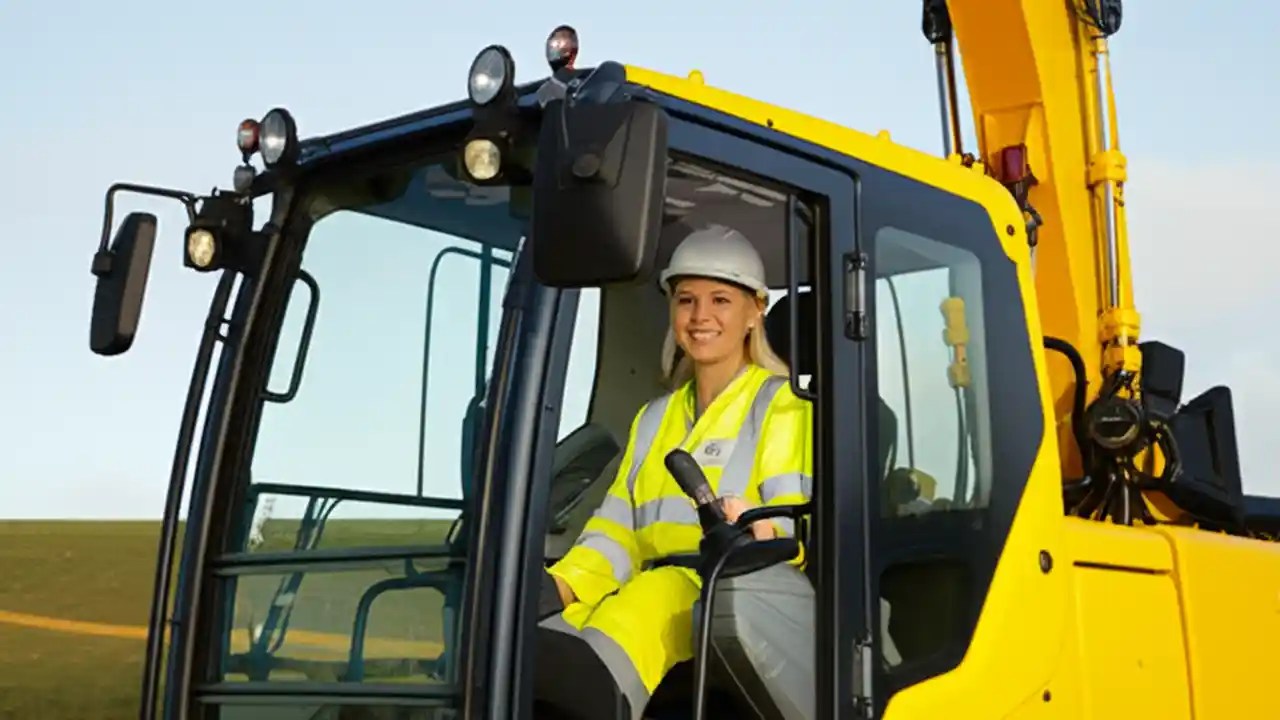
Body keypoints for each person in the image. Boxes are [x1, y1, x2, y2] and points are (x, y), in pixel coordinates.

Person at [534, 224, 813, 720]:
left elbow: (792, 529)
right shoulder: (654, 418)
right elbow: (616, 531)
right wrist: (559, 586)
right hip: (651, 585)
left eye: (721, 300)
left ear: (756, 311)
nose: (701, 316)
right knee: (547, 639)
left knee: (638, 611)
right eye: (686, 300)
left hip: (729, 590)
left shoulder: (783, 405)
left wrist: (755, 525)